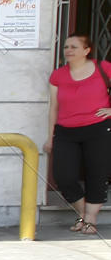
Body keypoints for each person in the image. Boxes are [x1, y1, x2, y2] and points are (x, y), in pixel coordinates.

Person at [45, 33, 111, 235]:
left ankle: (90, 219)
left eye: (74, 46)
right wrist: (50, 136)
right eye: (66, 47)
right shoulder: (58, 75)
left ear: (86, 50)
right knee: (63, 176)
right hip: (66, 131)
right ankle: (84, 213)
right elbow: (53, 108)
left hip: (98, 128)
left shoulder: (104, 68)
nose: (69, 50)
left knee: (97, 174)